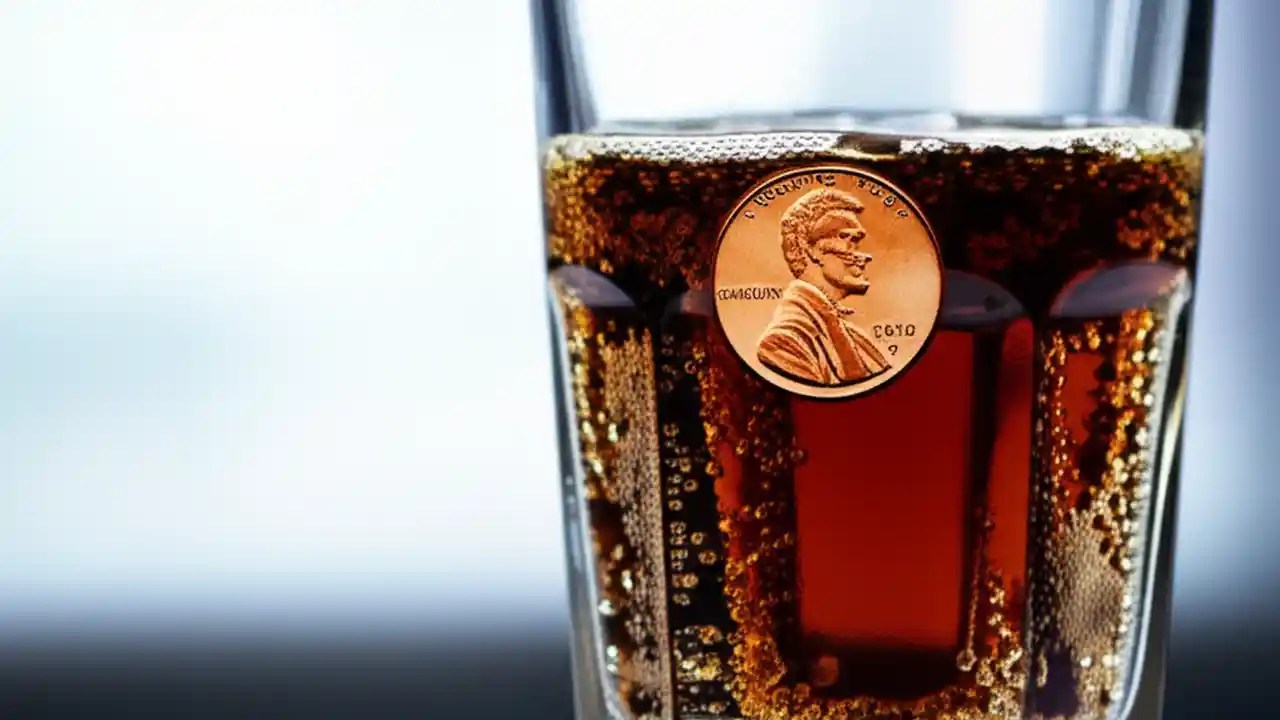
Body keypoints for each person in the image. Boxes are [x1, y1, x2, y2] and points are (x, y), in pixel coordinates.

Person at [756, 188, 890, 385]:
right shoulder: (783, 342)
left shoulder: (854, 335)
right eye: (848, 239)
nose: (864, 256)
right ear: (812, 250)